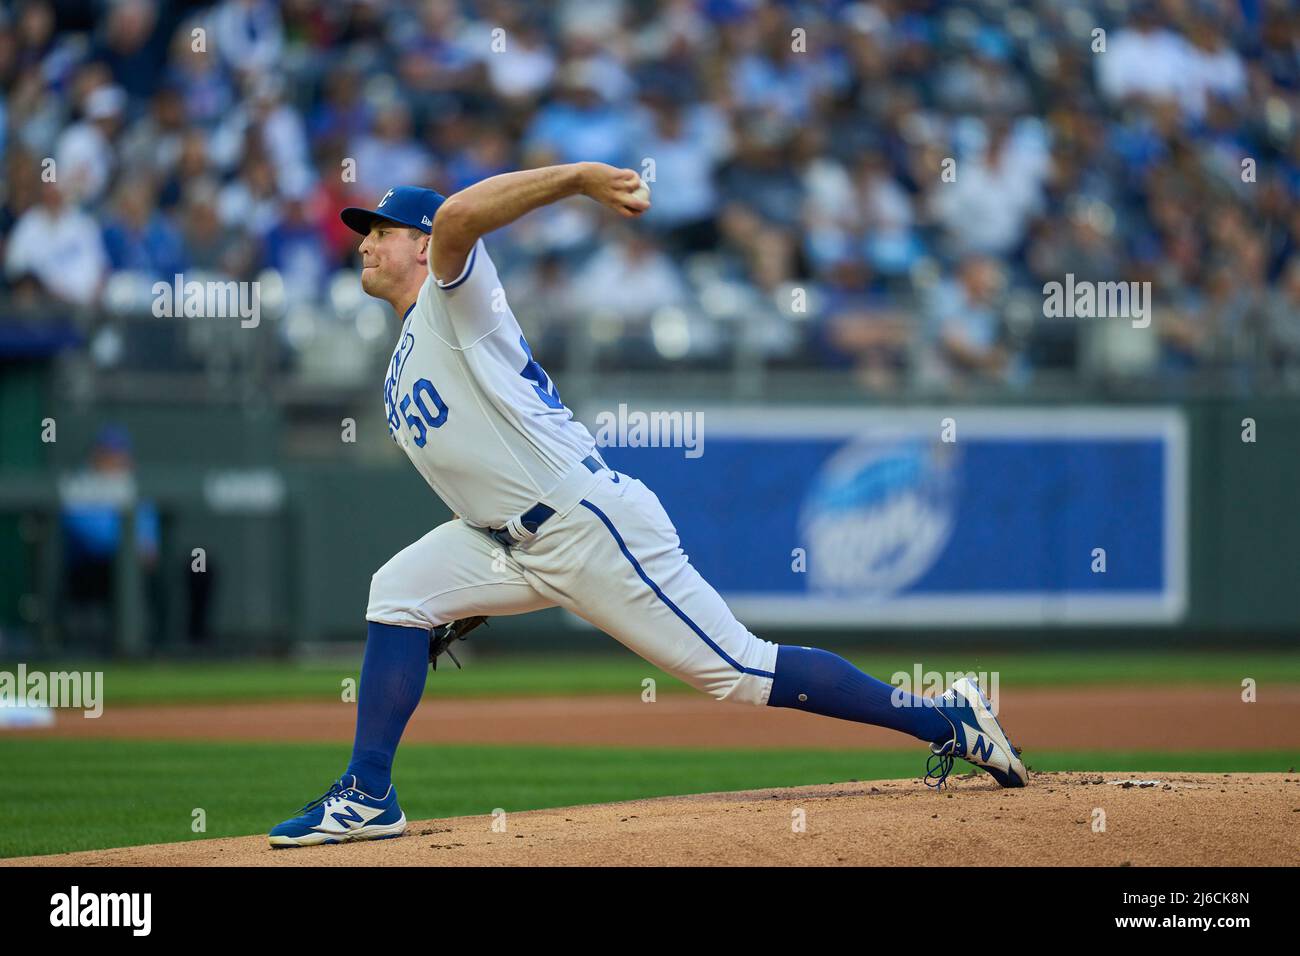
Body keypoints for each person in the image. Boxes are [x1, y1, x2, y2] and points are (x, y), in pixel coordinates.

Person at [268, 165, 1027, 848]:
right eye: (364, 233)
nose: (365, 243)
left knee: (739, 670)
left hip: (586, 522)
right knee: (399, 594)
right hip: (504, 540)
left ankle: (946, 718)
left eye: (383, 231)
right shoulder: (404, 348)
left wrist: (578, 179)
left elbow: (462, 215)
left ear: (423, 242)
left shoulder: (450, 295)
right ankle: (368, 795)